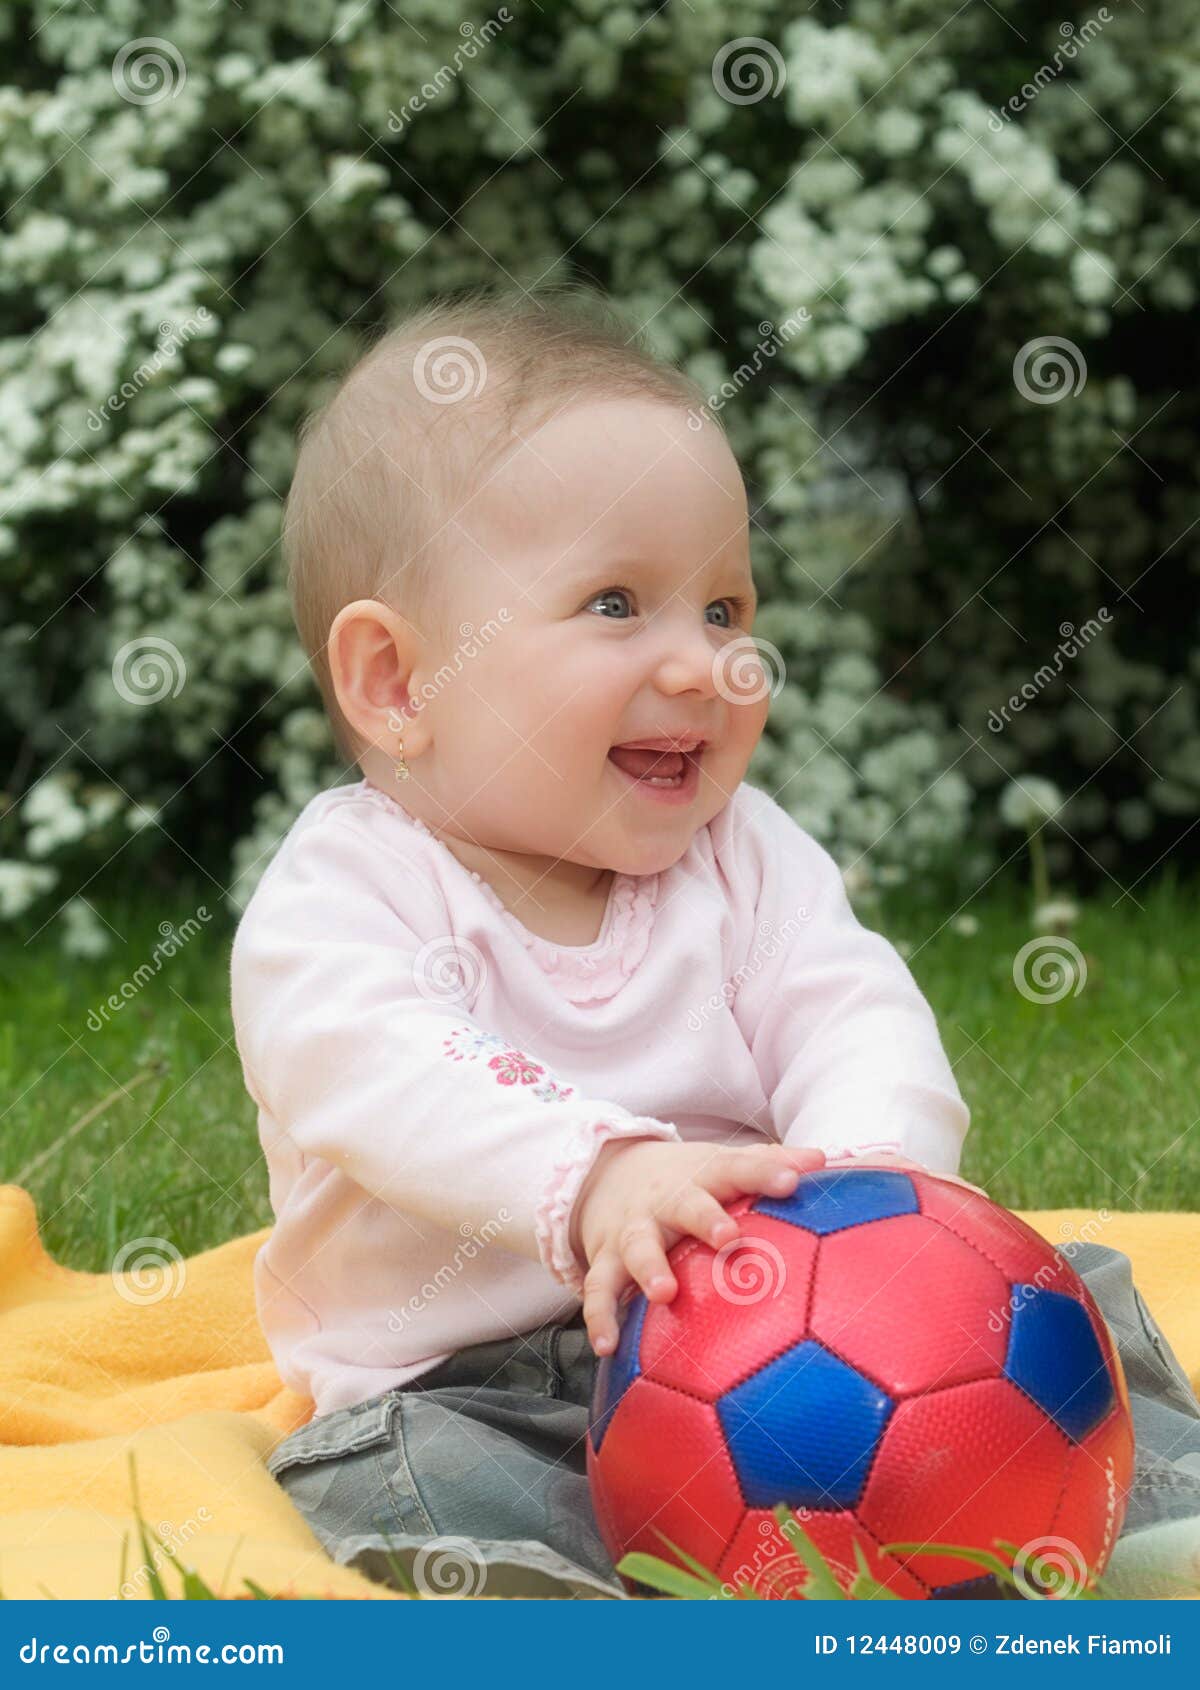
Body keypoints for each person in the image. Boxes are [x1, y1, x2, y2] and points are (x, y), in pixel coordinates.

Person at [230, 285, 1200, 1600]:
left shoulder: (742, 854)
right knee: (402, 1468)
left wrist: (866, 1210)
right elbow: (377, 1068)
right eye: (618, 604)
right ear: (399, 683)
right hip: (482, 1382)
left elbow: (854, 1011)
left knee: (1068, 1300)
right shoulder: (348, 894)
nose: (705, 664)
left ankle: (1149, 1515)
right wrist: (597, 1177)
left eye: (728, 610)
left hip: (782, 1331)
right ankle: (557, 1600)